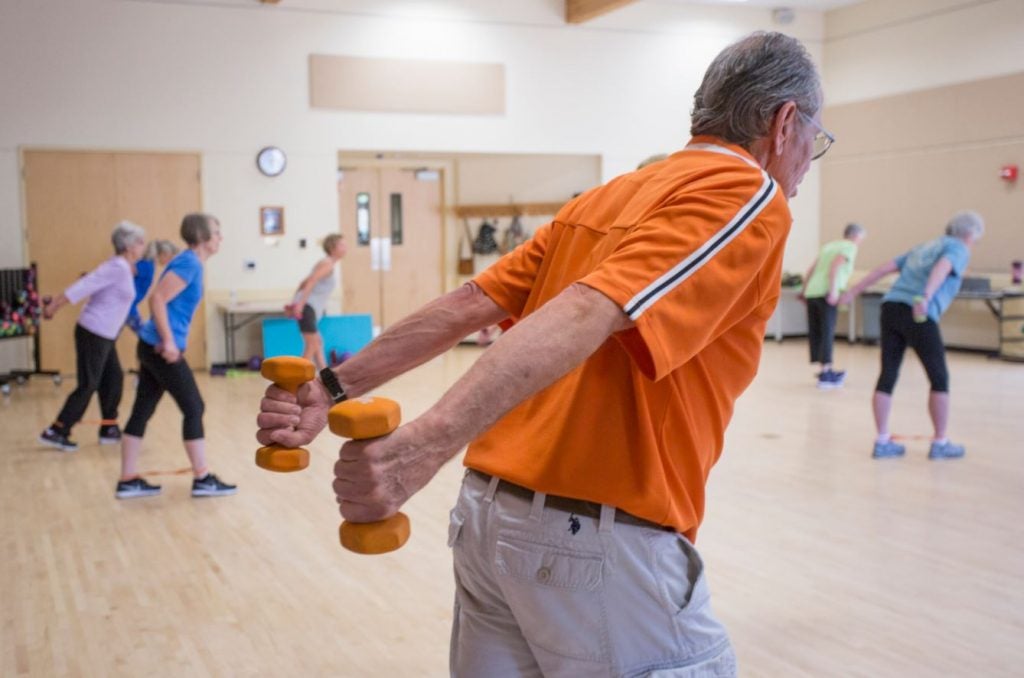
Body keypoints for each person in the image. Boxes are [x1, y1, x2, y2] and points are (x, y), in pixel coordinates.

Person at [257, 31, 828, 675]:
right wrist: (419, 449)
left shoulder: (607, 196)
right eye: (818, 140)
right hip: (595, 546)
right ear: (784, 124)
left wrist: (330, 387)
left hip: (487, 522)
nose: (811, 161)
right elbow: (591, 309)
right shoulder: (747, 193)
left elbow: (468, 303)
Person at [841, 211, 984, 461]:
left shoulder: (924, 246)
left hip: (891, 306)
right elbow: (943, 267)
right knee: (939, 377)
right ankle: (940, 442)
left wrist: (853, 291)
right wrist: (926, 296)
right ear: (970, 234)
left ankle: (882, 441)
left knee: (888, 373)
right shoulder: (959, 248)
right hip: (919, 310)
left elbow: (883, 269)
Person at [116, 213, 236, 499]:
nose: (220, 238)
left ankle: (128, 479)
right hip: (159, 349)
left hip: (151, 346)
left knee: (142, 410)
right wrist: (169, 341)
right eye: (217, 232)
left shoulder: (191, 263)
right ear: (203, 237)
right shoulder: (189, 262)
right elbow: (157, 298)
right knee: (194, 407)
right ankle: (203, 477)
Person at [38, 222, 147, 451]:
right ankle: (57, 429)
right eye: (139, 242)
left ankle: (108, 427)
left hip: (105, 335)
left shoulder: (123, 267)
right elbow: (83, 286)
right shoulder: (116, 267)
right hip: (94, 332)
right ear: (128, 246)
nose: (143, 246)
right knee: (89, 384)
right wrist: (55, 306)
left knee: (114, 378)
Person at [799, 222, 866, 388]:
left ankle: (824, 369)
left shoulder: (829, 246)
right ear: (856, 236)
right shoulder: (850, 246)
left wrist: (804, 290)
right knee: (828, 331)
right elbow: (835, 267)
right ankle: (826, 373)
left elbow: (811, 269)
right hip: (825, 292)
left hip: (813, 291)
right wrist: (834, 291)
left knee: (817, 331)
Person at [284, 234, 345, 369]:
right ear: (332, 248)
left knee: (317, 343)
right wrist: (299, 304)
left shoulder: (325, 263)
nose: (345, 248)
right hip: (308, 308)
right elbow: (311, 282)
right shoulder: (327, 264)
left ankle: (326, 380)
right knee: (312, 345)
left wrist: (295, 303)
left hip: (307, 307)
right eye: (342, 245)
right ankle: (297, 379)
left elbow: (303, 283)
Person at [127, 239, 179, 333]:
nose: (169, 262)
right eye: (170, 258)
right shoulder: (146, 265)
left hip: (129, 306)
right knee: (144, 335)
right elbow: (127, 271)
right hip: (128, 307)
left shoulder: (149, 264)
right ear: (164, 254)